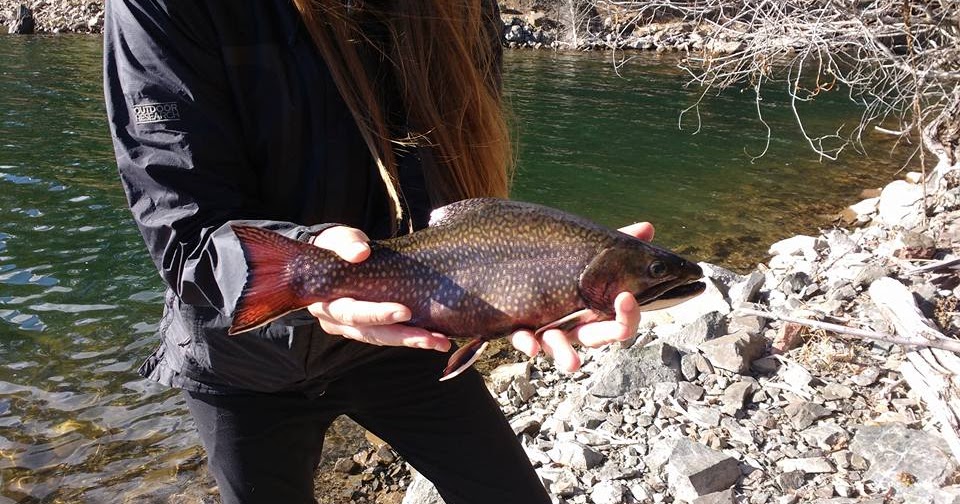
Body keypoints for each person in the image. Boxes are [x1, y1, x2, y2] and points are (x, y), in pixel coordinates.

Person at [102, 1, 653, 503]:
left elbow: (454, 212)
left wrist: (518, 293)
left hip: (407, 336)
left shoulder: (461, 9)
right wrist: (310, 263)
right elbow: (185, 228)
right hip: (241, 361)